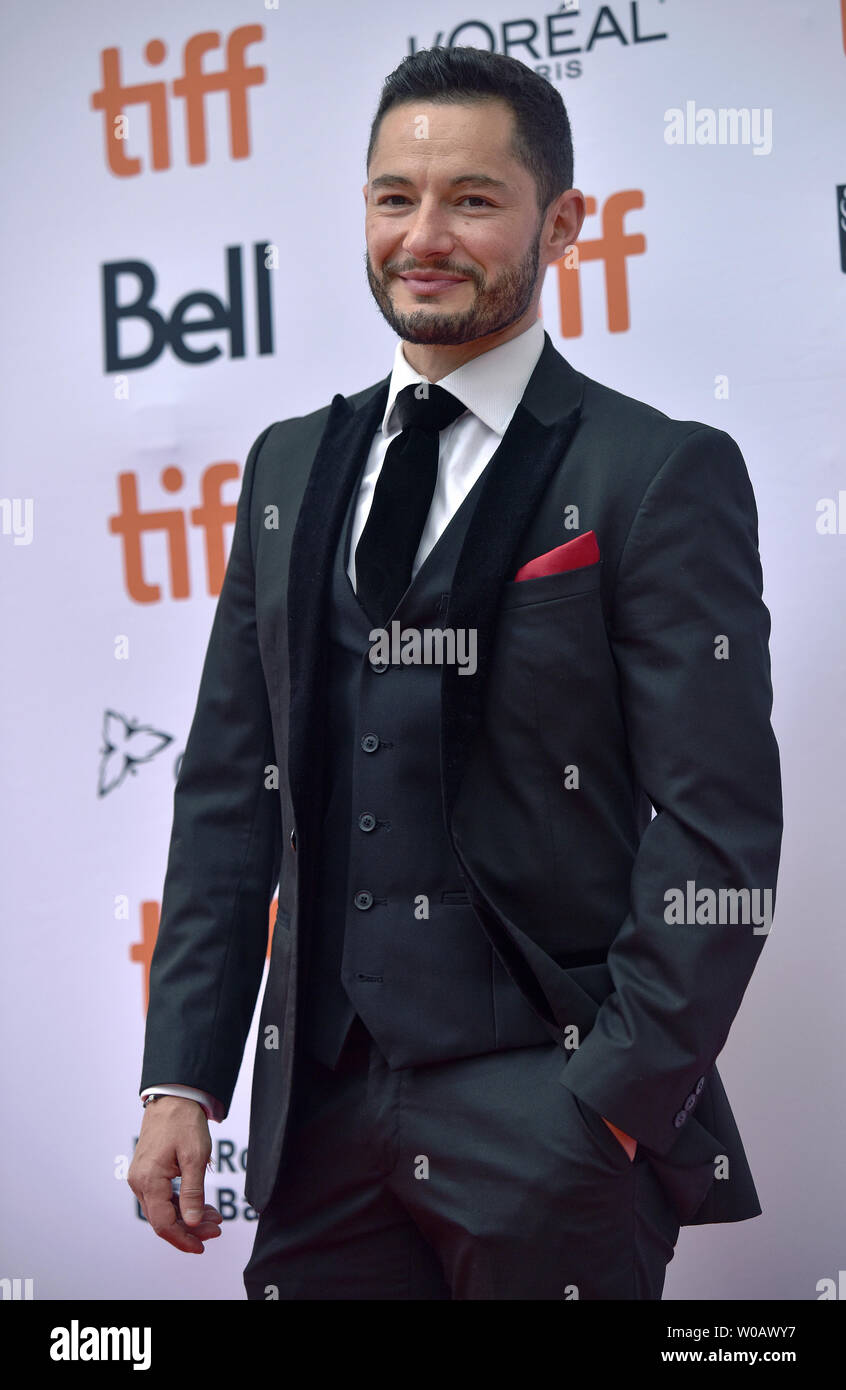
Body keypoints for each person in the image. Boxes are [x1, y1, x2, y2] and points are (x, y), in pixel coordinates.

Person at [128, 46, 783, 1300]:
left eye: (472, 199)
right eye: (393, 197)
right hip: (319, 1123)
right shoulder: (285, 468)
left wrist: (613, 1105)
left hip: (549, 1118)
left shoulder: (656, 470)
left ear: (564, 221)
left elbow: (719, 832)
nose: (423, 235)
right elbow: (227, 798)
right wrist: (184, 1078)